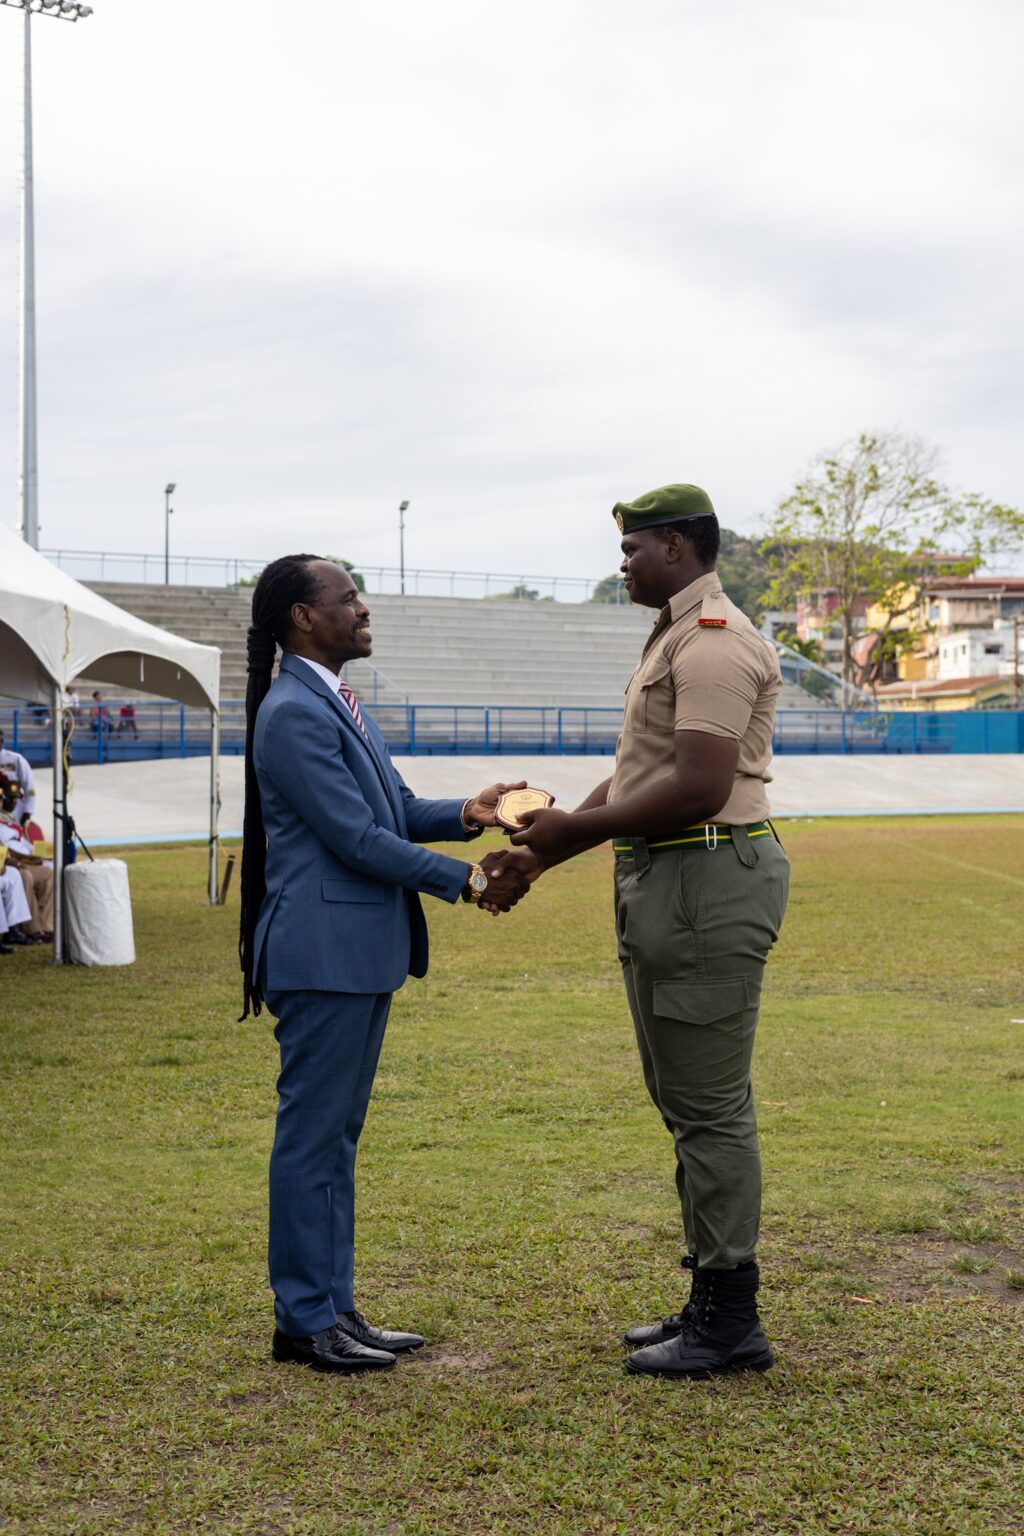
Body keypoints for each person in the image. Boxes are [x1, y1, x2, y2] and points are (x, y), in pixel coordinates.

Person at [507, 484, 790, 1381]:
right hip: (673, 875)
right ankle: (710, 1294)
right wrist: (546, 854)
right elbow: (641, 775)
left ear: (675, 547)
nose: (621, 562)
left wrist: (572, 834)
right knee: (685, 1100)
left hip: (703, 873)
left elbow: (701, 786)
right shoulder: (675, 635)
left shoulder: (711, 644)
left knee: (708, 1107)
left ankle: (730, 1319)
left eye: (632, 548)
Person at [239, 553, 533, 1376]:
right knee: (312, 1140)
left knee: (335, 1138)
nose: (362, 609)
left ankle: (332, 1309)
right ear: (303, 617)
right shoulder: (295, 711)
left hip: (355, 954)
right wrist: (469, 883)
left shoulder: (333, 699)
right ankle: (303, 1320)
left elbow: (395, 810)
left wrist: (469, 815)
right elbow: (356, 841)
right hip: (322, 953)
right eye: (347, 599)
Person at [0, 774, 54, 942]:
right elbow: (7, 851)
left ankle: (46, 926)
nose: (13, 802)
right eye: (9, 799)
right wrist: (26, 860)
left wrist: (39, 855)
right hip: (13, 863)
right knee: (24, 875)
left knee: (48, 873)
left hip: (23, 861)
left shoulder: (9, 819)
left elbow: (23, 843)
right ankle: (31, 928)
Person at [0, 731, 36, 825]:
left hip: (13, 807)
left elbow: (29, 786)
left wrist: (28, 811)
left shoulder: (15, 759)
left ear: (1, 741)